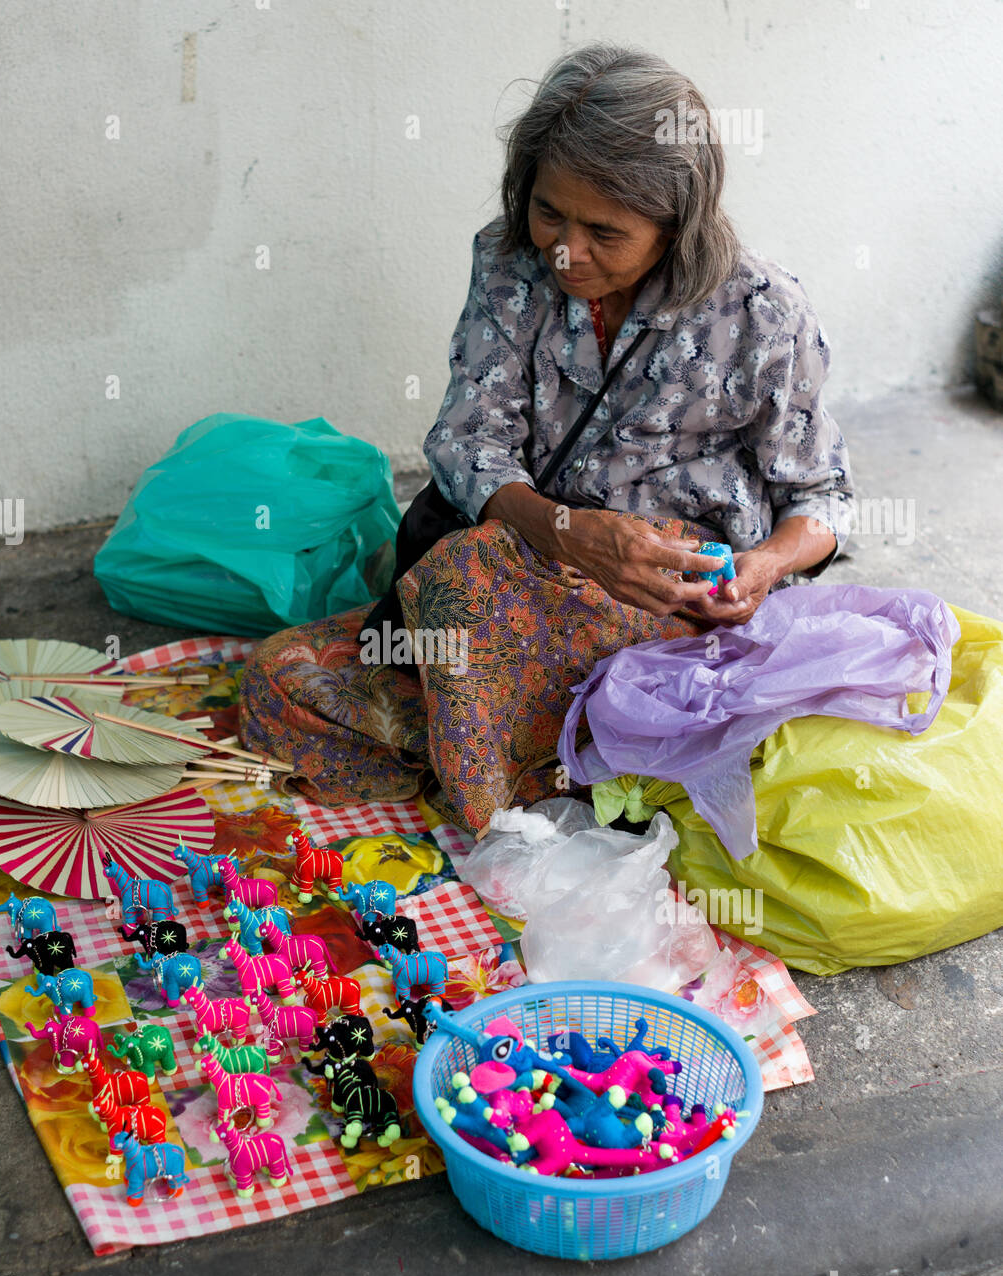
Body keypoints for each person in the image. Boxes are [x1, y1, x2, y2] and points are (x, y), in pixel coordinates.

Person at [238, 43, 853, 834]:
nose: (567, 249)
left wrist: (765, 567)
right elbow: (469, 442)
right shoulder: (508, 261)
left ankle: (516, 770)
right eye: (549, 211)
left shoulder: (763, 311)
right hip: (527, 563)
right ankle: (559, 752)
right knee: (282, 680)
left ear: (677, 224)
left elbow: (821, 494)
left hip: (672, 599)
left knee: (465, 593)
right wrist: (568, 533)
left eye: (605, 229)